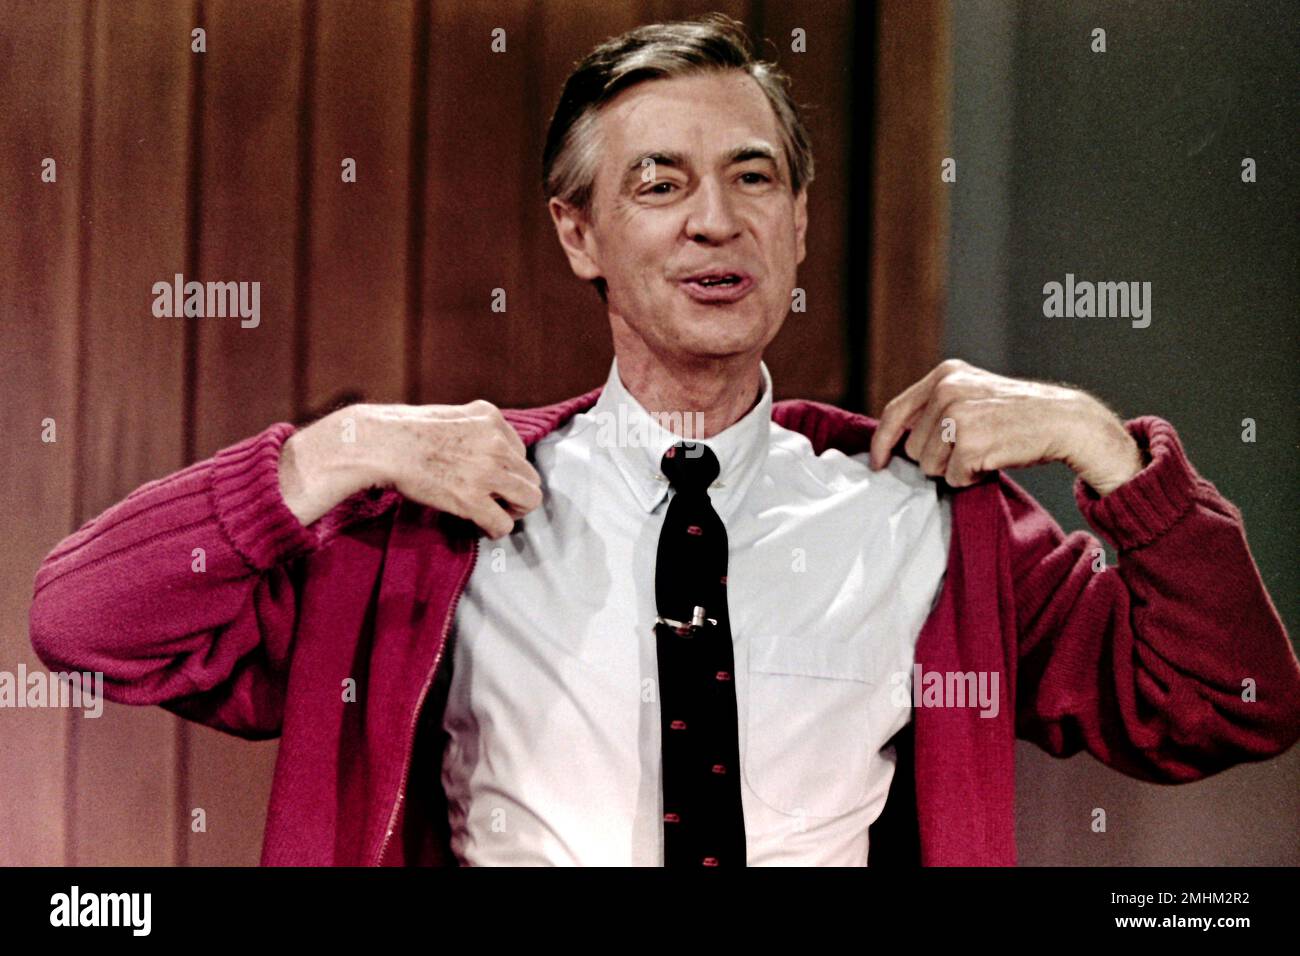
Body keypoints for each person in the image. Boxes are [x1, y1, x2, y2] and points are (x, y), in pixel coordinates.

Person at [29, 14, 1300, 866]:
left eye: (752, 178)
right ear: (578, 235)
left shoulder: (920, 515)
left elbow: (1228, 703)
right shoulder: (435, 528)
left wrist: (1105, 451)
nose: (713, 222)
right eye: (658, 183)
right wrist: (329, 450)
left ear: (800, 225)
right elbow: (83, 621)